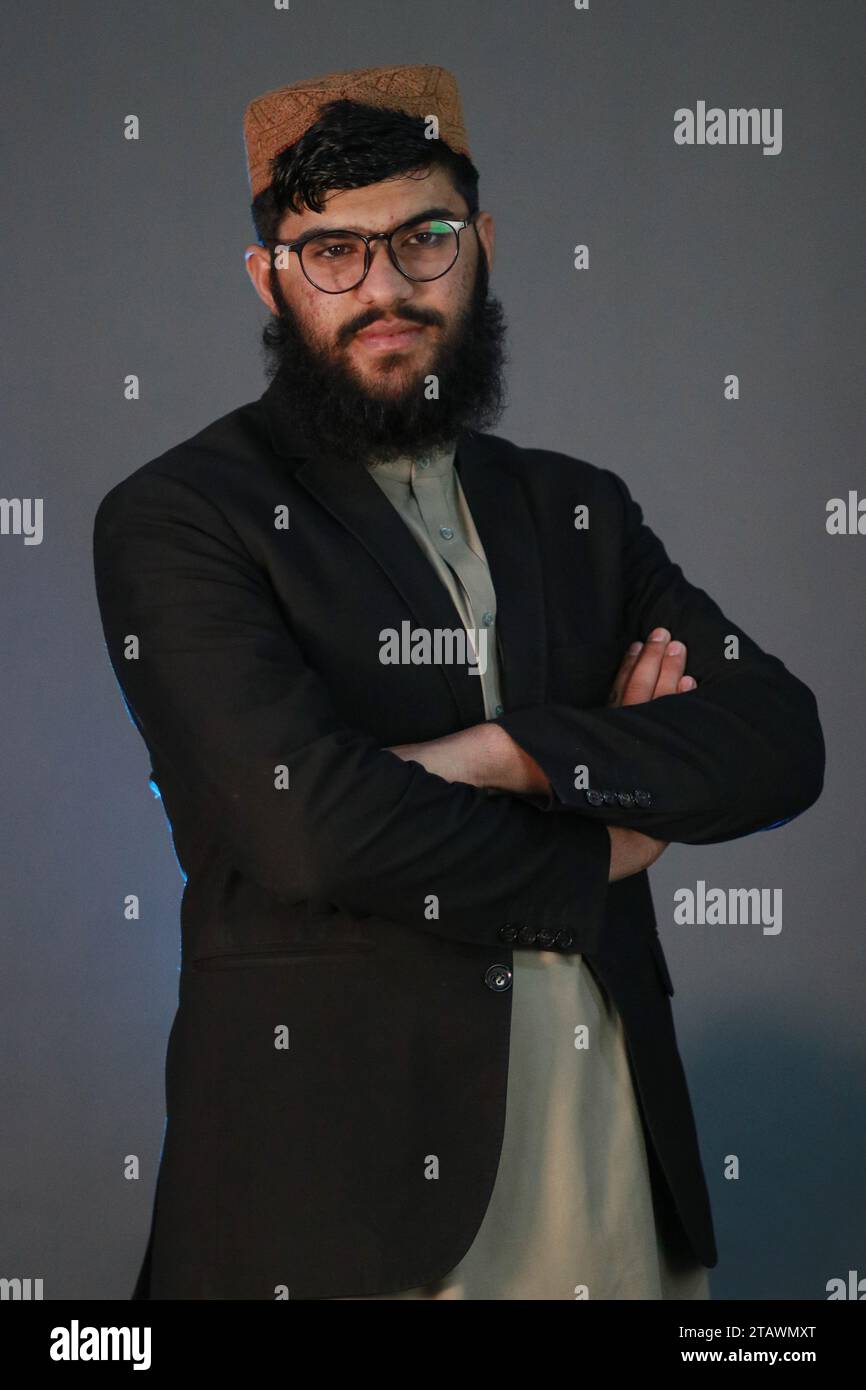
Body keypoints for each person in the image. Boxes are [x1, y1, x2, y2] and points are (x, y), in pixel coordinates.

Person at [92, 64, 825, 1300]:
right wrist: (603, 841)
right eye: (330, 250)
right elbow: (310, 830)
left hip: (605, 1176)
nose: (383, 286)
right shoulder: (181, 518)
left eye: (420, 238)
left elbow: (777, 737)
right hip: (333, 1208)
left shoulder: (574, 508)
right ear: (270, 277)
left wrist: (509, 753)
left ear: (478, 245)